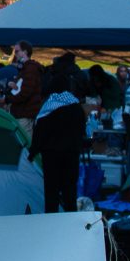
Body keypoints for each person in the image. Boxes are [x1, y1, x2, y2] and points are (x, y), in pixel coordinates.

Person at [30, 84, 87, 213]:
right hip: (71, 154)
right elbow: (82, 130)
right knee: (70, 190)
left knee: (51, 190)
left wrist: (33, 151)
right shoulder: (76, 107)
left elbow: (40, 132)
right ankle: (70, 216)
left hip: (51, 155)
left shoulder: (48, 108)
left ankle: (52, 217)